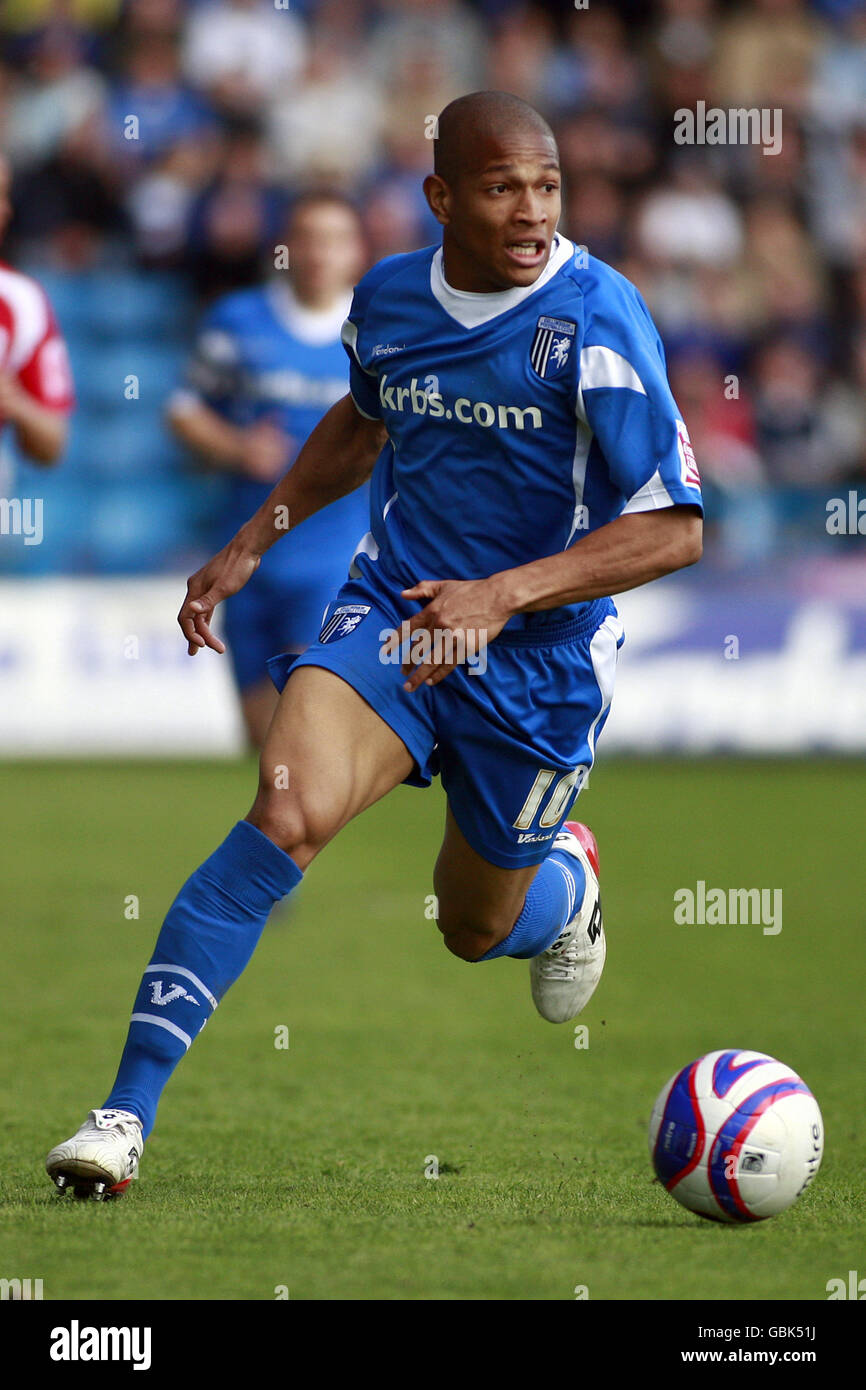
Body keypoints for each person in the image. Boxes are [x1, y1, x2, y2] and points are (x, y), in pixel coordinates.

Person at [46, 92, 702, 1199]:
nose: (530, 210)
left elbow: (676, 525)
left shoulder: (597, 321)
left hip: (535, 667)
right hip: (395, 618)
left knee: (468, 923)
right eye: (499, 187)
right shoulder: (390, 299)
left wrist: (499, 596)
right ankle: (121, 1117)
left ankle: (563, 890)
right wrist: (253, 538)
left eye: (545, 186)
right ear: (440, 195)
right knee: (283, 812)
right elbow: (360, 419)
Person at [167, 192, 370, 747]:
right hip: (246, 555)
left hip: (333, 561)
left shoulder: (375, 333)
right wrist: (237, 447)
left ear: (357, 252)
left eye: (334, 240)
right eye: (307, 238)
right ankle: (286, 833)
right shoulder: (238, 321)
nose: (319, 253)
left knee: (303, 736)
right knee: (262, 741)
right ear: (286, 248)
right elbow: (184, 409)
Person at [0, 154, 74, 466]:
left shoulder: (21, 299)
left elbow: (52, 443)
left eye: (5, 194)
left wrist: (14, 402)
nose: (6, 210)